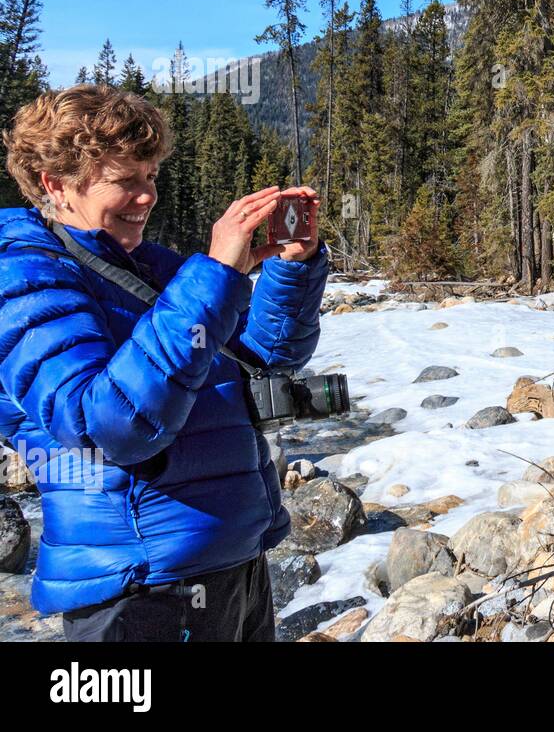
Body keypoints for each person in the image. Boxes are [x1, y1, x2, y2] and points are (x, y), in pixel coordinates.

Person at [0, 83, 330, 641]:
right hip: (142, 590)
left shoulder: (149, 266)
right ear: (57, 185)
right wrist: (211, 279)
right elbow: (113, 425)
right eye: (125, 180)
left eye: (150, 176)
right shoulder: (24, 276)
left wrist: (290, 268)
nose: (147, 195)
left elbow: (265, 361)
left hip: (234, 566)